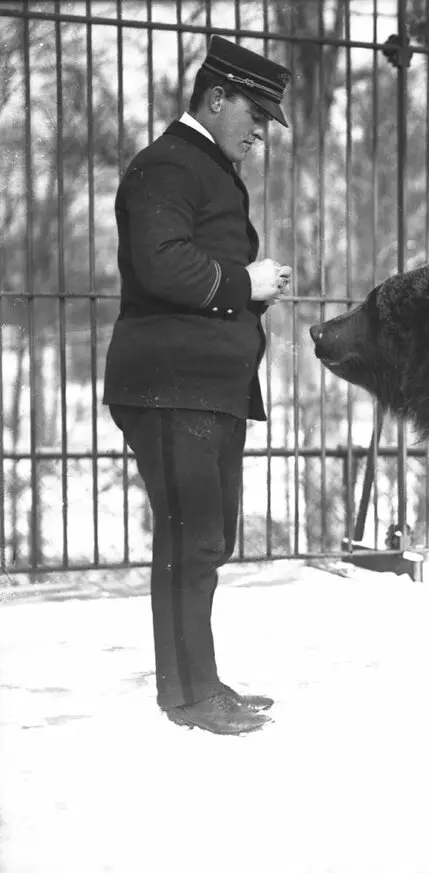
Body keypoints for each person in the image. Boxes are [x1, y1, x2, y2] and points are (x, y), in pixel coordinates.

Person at [103, 35, 293, 735]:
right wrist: (246, 281)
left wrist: (249, 294)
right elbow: (160, 265)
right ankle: (187, 695)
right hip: (171, 387)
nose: (261, 132)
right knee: (190, 540)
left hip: (201, 389)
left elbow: (191, 271)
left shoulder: (199, 166)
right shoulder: (166, 165)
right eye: (255, 114)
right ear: (216, 98)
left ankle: (200, 677)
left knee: (207, 539)